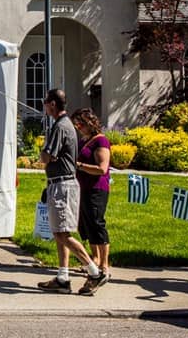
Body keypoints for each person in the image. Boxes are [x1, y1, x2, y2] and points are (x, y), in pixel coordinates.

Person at [38, 88, 107, 295]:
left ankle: (94, 271)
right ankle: (62, 277)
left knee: (62, 233)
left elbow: (46, 157)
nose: (44, 106)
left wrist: (44, 154)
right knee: (60, 232)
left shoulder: (60, 126)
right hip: (60, 183)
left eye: (45, 102)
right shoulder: (64, 125)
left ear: (52, 104)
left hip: (63, 185)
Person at [73, 108, 112, 285]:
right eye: (76, 123)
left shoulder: (101, 141)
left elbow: (102, 168)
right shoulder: (84, 141)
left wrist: (79, 165)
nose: (77, 126)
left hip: (97, 188)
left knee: (97, 224)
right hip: (83, 188)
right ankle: (95, 259)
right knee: (87, 225)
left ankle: (105, 265)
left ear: (89, 123)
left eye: (80, 123)